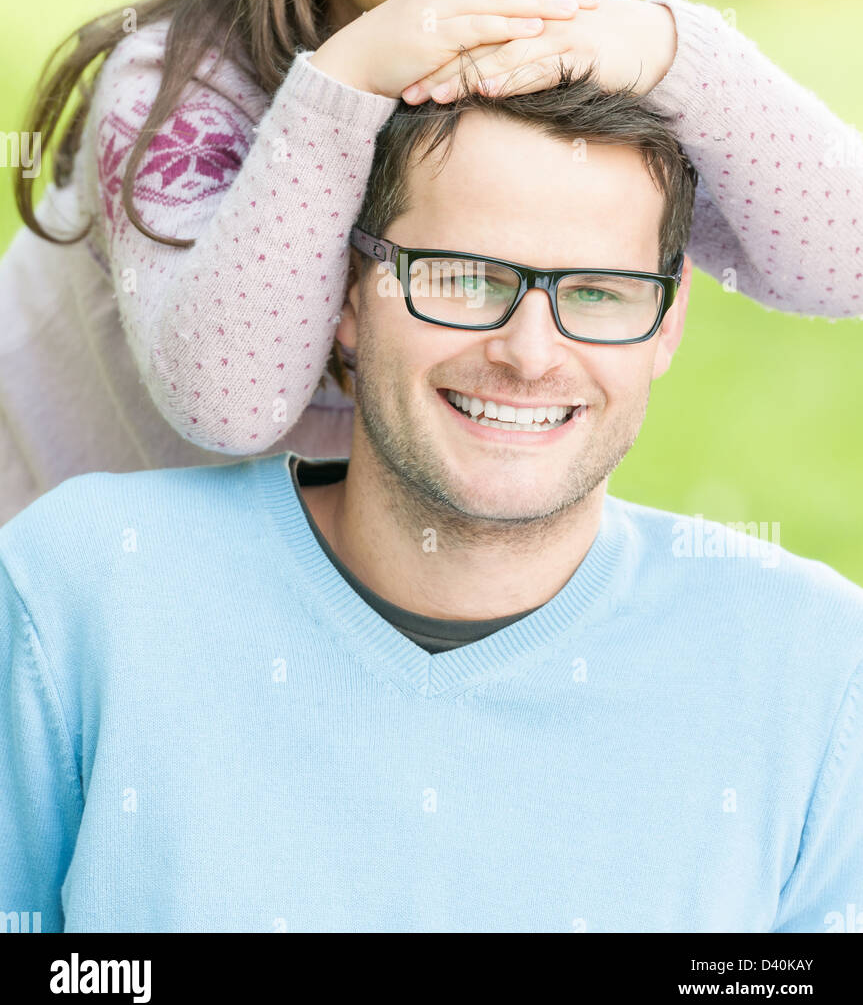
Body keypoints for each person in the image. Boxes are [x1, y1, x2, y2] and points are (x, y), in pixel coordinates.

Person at [2, 0, 862, 528]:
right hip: (55, 560)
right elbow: (229, 404)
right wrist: (343, 86)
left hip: (334, 589)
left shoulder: (584, 75)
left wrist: (679, 51)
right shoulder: (179, 83)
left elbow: (845, 262)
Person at [1, 70, 860, 933]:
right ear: (343, 291)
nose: (529, 353)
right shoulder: (82, 593)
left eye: (597, 292)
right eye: (461, 278)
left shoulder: (814, 667)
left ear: (666, 325)